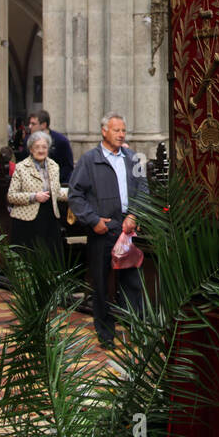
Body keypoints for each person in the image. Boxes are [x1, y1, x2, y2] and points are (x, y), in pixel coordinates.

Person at [67, 112, 145, 348]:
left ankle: (137, 329)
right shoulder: (90, 160)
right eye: (116, 130)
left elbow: (144, 190)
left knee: (132, 282)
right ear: (104, 131)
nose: (121, 134)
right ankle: (106, 334)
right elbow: (76, 195)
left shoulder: (133, 159)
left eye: (123, 130)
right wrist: (93, 221)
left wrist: (134, 214)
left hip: (127, 229)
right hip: (102, 229)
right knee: (101, 284)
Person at [8, 131, 69, 261]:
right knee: (30, 261)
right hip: (27, 222)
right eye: (37, 147)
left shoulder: (54, 166)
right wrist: (34, 196)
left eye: (44, 147)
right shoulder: (21, 167)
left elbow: (56, 192)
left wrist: (74, 193)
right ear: (30, 149)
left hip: (49, 218)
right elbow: (11, 196)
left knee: (51, 260)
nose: (41, 150)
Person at [26, 110, 75, 184]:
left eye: (33, 124)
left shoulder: (61, 141)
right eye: (30, 123)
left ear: (44, 125)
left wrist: (53, 181)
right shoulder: (27, 141)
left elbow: (68, 167)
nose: (30, 126)